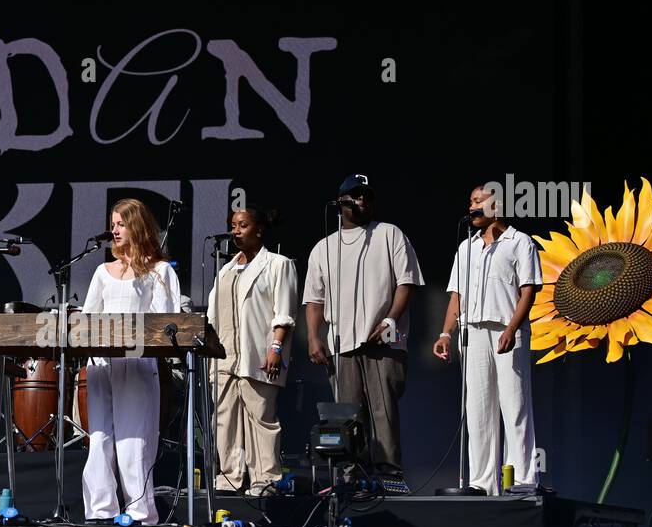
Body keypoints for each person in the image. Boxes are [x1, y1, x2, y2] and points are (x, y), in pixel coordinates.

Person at [303, 174, 424, 482]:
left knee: (383, 413)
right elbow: (315, 301)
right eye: (355, 196)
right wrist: (315, 338)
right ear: (341, 201)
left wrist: (390, 319)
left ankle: (389, 476)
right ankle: (351, 478)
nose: (361, 201)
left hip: (383, 340)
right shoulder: (324, 248)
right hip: (342, 343)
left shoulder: (389, 234)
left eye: (366, 197)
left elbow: (406, 282)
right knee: (345, 416)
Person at [434, 183, 542, 494]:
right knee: (478, 409)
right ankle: (481, 483)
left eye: (479, 201)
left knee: (514, 405)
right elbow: (457, 295)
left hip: (508, 331)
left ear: (497, 206)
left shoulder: (520, 242)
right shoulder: (465, 248)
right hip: (474, 333)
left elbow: (528, 291)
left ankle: (521, 481)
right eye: (470, 201)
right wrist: (445, 333)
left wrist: (511, 328)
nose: (472, 206)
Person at [81, 198, 180, 525]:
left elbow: (167, 322)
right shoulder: (102, 271)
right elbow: (87, 320)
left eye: (121, 224)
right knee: (100, 438)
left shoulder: (160, 270)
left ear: (137, 226)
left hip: (137, 361)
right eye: (113, 224)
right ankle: (100, 510)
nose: (114, 230)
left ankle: (139, 512)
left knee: (134, 438)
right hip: (101, 362)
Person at [206, 207, 298, 495]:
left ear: (258, 229)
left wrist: (275, 347)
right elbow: (212, 315)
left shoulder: (278, 265)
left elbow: (284, 312)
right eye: (233, 225)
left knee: (261, 418)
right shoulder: (225, 270)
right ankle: (229, 478)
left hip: (258, 354)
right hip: (225, 357)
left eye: (242, 225)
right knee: (225, 420)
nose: (235, 231)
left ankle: (266, 479)